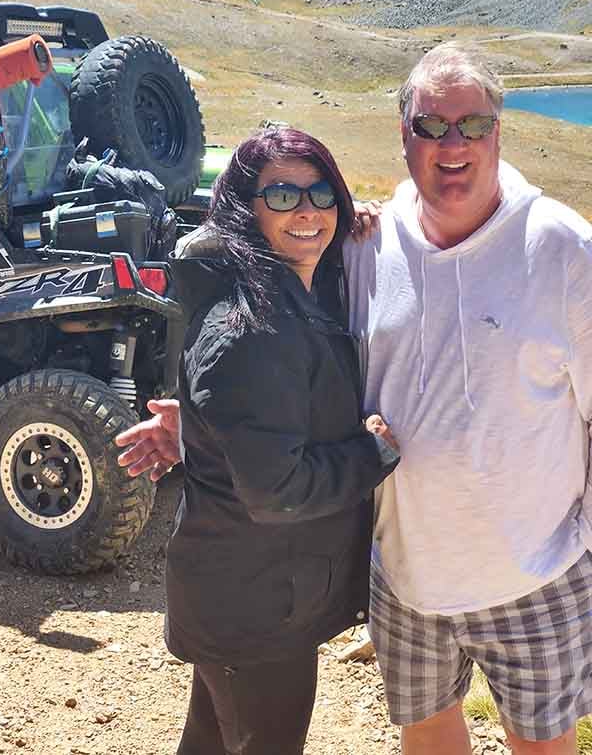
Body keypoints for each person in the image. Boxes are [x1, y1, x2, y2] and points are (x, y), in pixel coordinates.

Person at [118, 43, 592, 755]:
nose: (452, 144)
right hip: (402, 580)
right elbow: (274, 371)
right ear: (403, 137)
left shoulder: (560, 247)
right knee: (424, 739)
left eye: (472, 124)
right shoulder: (364, 249)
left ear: (500, 129)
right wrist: (208, 423)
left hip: (534, 573)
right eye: (431, 126)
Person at [119, 127, 398, 755]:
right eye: (281, 195)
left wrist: (357, 221)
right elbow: (278, 493)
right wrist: (371, 450)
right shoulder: (253, 328)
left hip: (246, 591)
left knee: (212, 742)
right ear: (244, 209)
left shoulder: (285, 291)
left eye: (321, 192)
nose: (306, 210)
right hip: (257, 608)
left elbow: (263, 423)